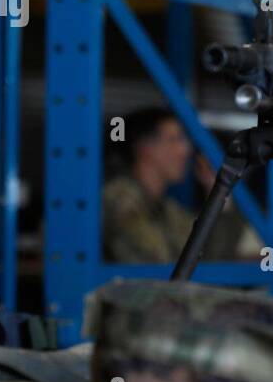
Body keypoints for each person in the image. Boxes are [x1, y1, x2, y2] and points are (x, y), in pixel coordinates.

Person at [102, 108, 240, 265]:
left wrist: (218, 194)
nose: (185, 150)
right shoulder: (120, 199)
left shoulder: (165, 208)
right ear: (145, 148)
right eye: (174, 140)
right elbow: (158, 264)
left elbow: (208, 257)